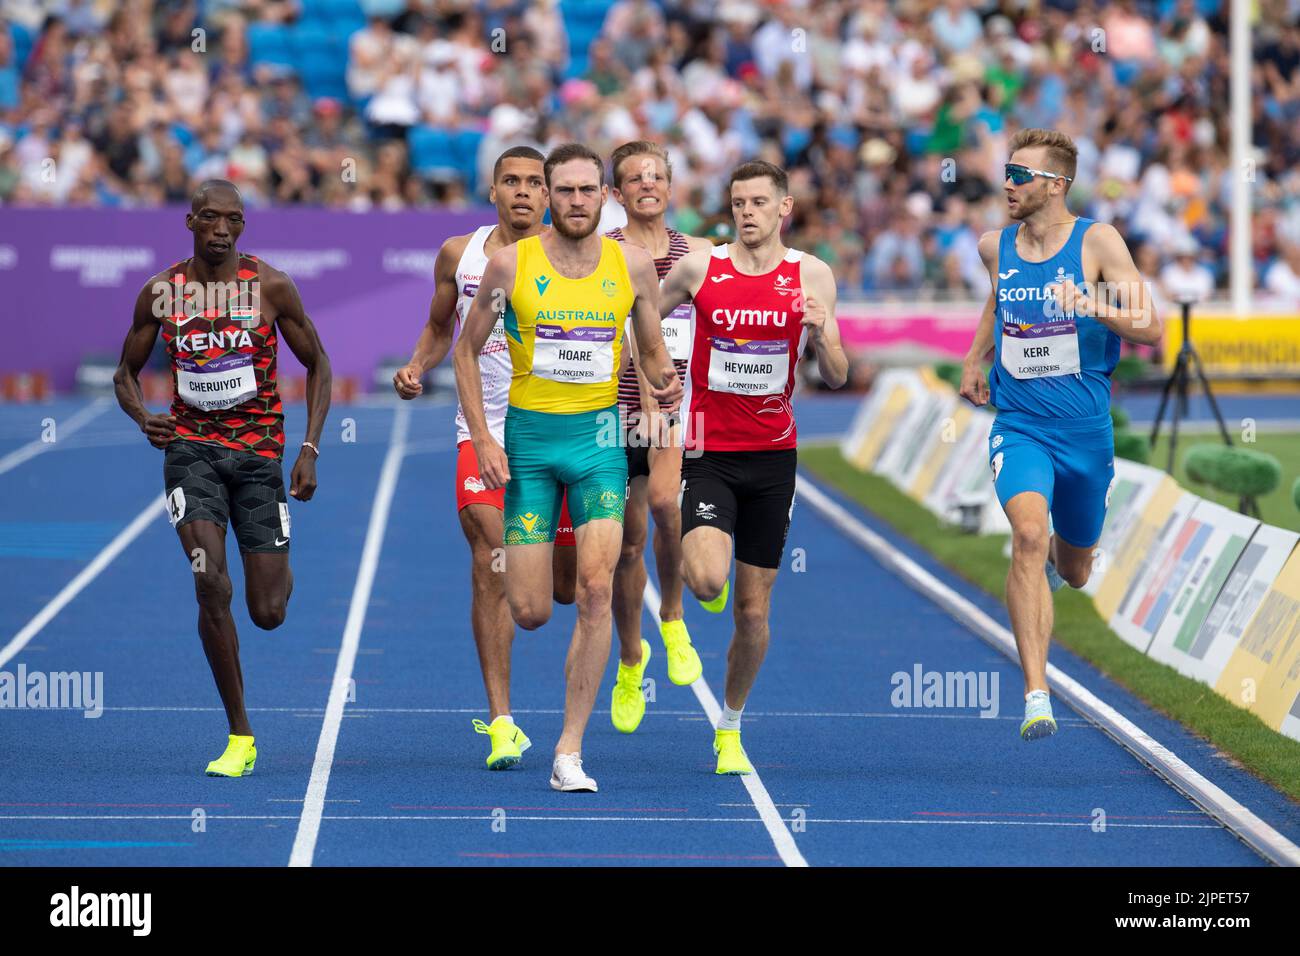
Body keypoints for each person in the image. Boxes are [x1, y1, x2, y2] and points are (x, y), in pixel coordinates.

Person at [452, 143, 681, 792]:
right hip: (527, 447)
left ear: (604, 195)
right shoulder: (508, 266)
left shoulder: (634, 266)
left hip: (600, 445)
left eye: (588, 190)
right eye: (566, 191)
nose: (578, 201)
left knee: (596, 590)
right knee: (529, 609)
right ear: (549, 197)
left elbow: (655, 352)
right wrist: (482, 437)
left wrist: (666, 387)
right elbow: (465, 355)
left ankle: (569, 751)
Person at [112, 179, 332, 776]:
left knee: (268, 611)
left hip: (259, 454)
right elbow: (124, 372)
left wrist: (309, 448)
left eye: (232, 219)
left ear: (242, 225)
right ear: (190, 221)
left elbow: (318, 364)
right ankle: (240, 734)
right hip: (191, 451)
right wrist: (143, 418)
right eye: (209, 218)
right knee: (210, 582)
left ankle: (279, 568)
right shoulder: (162, 292)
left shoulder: (271, 286)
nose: (221, 229)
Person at [958, 128, 1163, 741]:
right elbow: (998, 301)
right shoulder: (995, 245)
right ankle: (1036, 694)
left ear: (1056, 185)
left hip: (1086, 435)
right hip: (1020, 425)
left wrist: (1090, 305)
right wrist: (975, 357)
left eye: (1020, 175)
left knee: (1074, 570)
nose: (1007, 185)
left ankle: (1058, 562)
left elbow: (1151, 327)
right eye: (1007, 173)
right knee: (1026, 532)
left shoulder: (1098, 242)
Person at [658, 160, 848, 775]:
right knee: (709, 583)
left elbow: (840, 375)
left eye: (759, 202)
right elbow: (641, 320)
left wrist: (823, 338)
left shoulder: (811, 275)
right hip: (710, 451)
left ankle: (730, 726)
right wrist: (653, 371)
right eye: (738, 201)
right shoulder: (700, 267)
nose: (747, 211)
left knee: (753, 612)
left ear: (783, 208)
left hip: (774, 460)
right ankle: (699, 560)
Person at [393, 146, 578, 771]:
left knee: (560, 589)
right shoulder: (459, 254)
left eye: (535, 182)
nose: (524, 191)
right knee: (490, 560)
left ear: (549, 194)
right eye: (512, 181)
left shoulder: (577, 255)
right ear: (492, 190)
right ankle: (502, 722)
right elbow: (441, 327)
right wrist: (418, 364)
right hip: (484, 430)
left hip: (559, 432)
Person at [603, 140, 713, 735]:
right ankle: (628, 660)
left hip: (677, 406)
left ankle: (672, 617)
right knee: (626, 542)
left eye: (657, 176)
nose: (648, 184)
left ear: (671, 187)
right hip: (611, 410)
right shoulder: (602, 253)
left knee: (668, 505)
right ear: (617, 195)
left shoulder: (699, 254)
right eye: (634, 178)